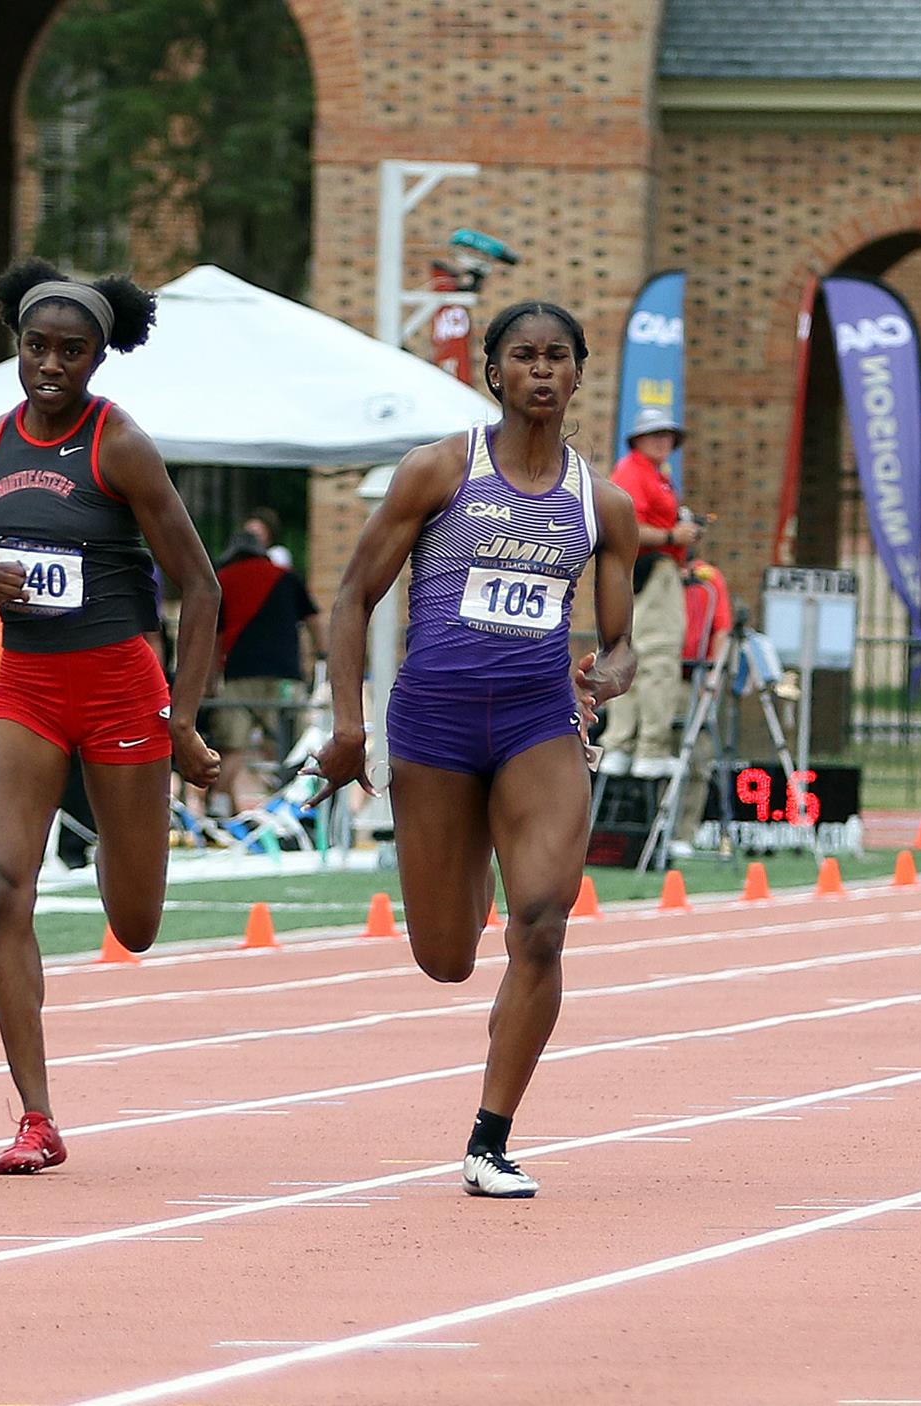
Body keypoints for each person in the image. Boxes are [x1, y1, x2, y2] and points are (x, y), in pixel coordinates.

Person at [311, 301, 638, 1198]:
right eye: (524, 356)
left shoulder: (603, 505)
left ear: (578, 374)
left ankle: (490, 1140)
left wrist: (606, 678)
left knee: (542, 925)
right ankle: (475, 869)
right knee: (449, 957)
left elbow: (621, 644)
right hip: (436, 726)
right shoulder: (439, 470)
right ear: (494, 373)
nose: (542, 370)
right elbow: (353, 597)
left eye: (558, 357)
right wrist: (350, 727)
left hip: (538, 723)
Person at [0, 259, 222, 1175]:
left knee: (136, 922)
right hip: (29, 689)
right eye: (37, 346)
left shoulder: (120, 445)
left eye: (71, 351)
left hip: (122, 687)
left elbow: (201, 587)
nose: (51, 364)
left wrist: (183, 722)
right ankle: (36, 1117)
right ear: (17, 345)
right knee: (5, 885)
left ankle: (132, 835)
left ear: (97, 357)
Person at [595, 405, 701, 780]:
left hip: (637, 572)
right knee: (658, 657)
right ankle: (650, 748)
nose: (663, 441)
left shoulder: (648, 474)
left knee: (631, 655)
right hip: (653, 571)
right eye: (654, 434)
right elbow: (625, 527)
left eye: (667, 435)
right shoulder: (636, 473)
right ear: (638, 440)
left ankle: (621, 744)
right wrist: (674, 536)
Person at [209, 531, 323, 815]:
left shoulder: (223, 580)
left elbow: (215, 637)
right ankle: (291, 810)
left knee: (232, 747)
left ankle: (220, 809)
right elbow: (314, 620)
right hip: (285, 675)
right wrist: (323, 656)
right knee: (288, 748)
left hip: (239, 675)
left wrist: (209, 681)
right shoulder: (286, 577)